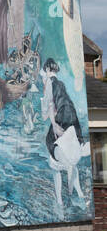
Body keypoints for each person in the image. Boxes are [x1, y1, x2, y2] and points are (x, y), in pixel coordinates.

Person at [40, 58, 89, 209]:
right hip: (73, 117)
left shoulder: (50, 82)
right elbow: (61, 102)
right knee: (72, 144)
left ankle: (60, 199)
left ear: (48, 70)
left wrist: (53, 124)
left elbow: (45, 111)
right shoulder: (61, 83)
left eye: (44, 73)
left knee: (49, 141)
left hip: (63, 116)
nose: (44, 76)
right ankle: (80, 194)